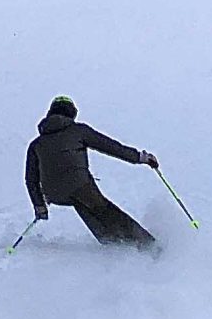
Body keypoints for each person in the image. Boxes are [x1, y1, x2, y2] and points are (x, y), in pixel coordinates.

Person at [24, 95, 158, 249]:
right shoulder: (78, 131)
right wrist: (141, 158)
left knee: (85, 207)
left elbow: (31, 179)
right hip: (79, 185)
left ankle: (113, 246)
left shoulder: (36, 144)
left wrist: (39, 205)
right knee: (106, 211)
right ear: (71, 113)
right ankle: (148, 246)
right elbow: (110, 147)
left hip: (53, 193)